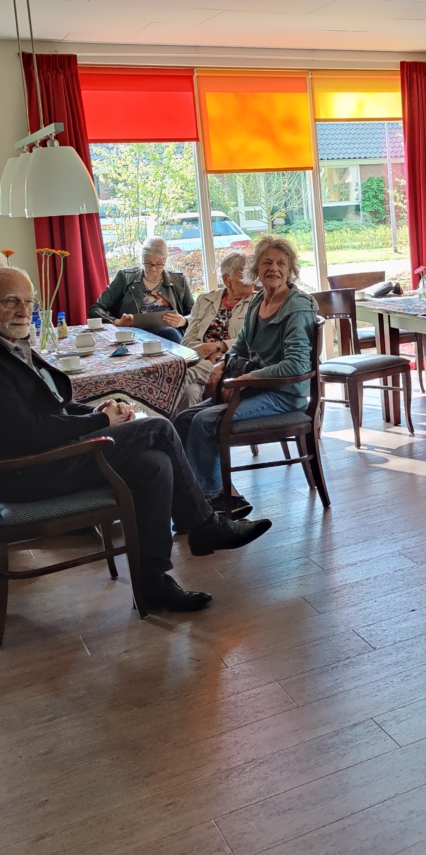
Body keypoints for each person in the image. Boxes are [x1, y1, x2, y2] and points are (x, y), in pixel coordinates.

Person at [0, 266, 271, 613]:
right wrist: (101, 419)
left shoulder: (15, 345)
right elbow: (28, 433)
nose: (24, 312)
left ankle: (153, 582)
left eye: (29, 303)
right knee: (158, 428)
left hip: (53, 455)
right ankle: (204, 524)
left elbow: (55, 407)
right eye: (12, 302)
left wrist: (99, 409)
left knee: (153, 464)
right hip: (30, 473)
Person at [176, 235, 318, 517]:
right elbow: (240, 345)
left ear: (291, 269)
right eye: (266, 262)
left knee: (205, 422)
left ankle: (216, 499)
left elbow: (297, 365)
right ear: (256, 269)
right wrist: (221, 364)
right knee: (183, 419)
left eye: (281, 263)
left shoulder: (297, 307)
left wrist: (244, 380)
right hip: (255, 388)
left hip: (285, 395)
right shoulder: (257, 301)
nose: (274, 268)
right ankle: (193, 496)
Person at [177, 251, 258, 410]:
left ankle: (151, 418)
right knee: (190, 393)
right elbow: (187, 341)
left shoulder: (258, 302)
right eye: (244, 274)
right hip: (205, 361)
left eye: (251, 273)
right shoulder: (205, 300)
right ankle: (181, 434)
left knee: (180, 373)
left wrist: (217, 347)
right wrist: (211, 353)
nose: (251, 278)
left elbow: (251, 339)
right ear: (227, 280)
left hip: (232, 363)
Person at [91, 237, 194, 342]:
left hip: (170, 334)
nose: (153, 268)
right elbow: (96, 309)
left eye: (158, 264)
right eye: (148, 263)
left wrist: (184, 320)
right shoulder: (125, 277)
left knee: (170, 332)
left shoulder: (178, 280)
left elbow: (196, 314)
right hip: (133, 334)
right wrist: (115, 322)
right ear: (142, 260)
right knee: (169, 333)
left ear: (165, 260)